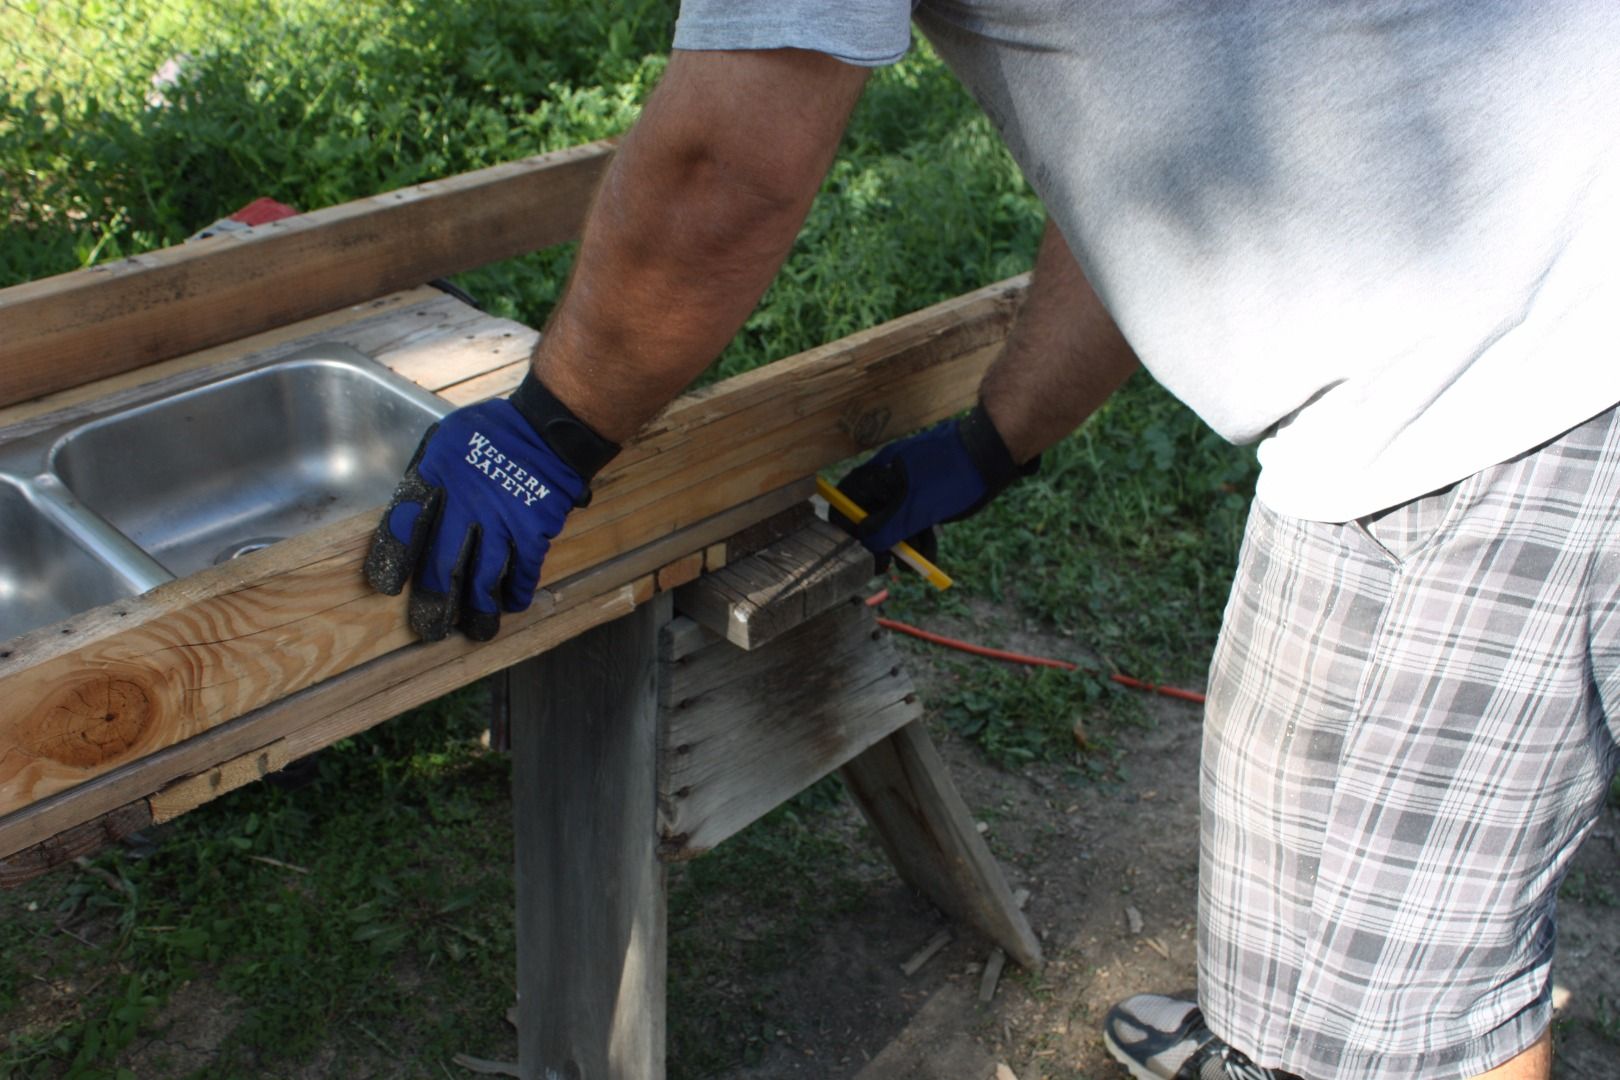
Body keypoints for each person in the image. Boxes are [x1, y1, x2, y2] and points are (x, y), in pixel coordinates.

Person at [363, 4, 1620, 1078]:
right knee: (1276, 856)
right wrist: (992, 442)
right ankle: (1272, 1047)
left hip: (1551, 366)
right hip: (1437, 360)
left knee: (1414, 1008)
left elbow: (727, 170)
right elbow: (1161, 158)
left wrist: (540, 435)